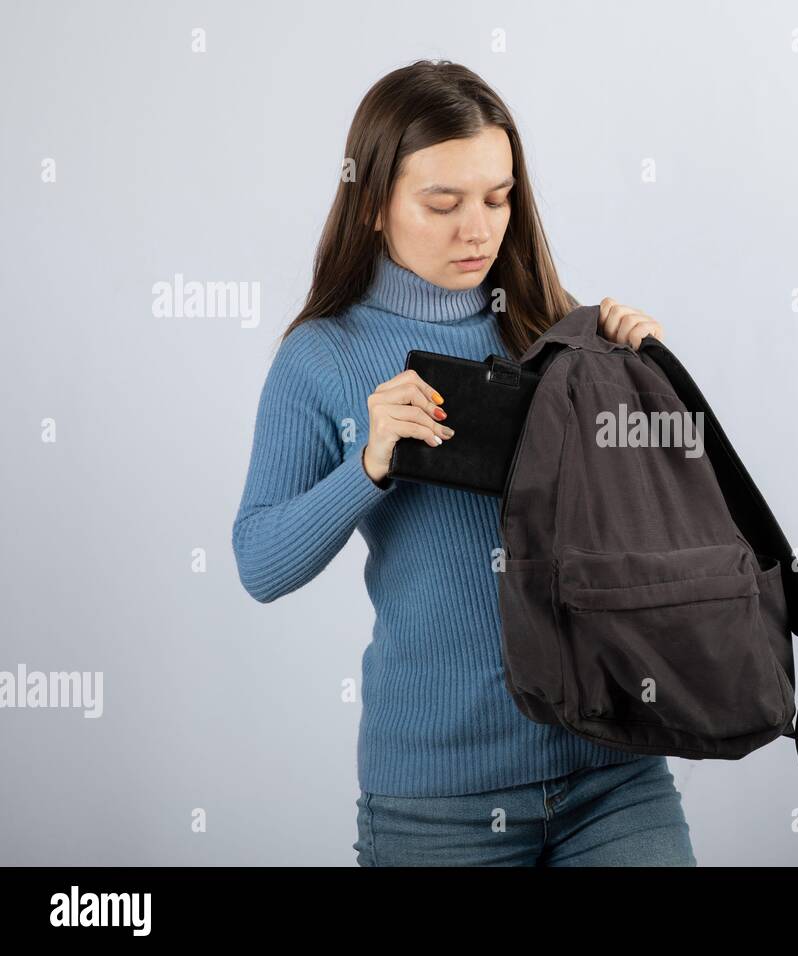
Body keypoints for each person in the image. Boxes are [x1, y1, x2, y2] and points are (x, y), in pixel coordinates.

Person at [231, 59, 696, 866]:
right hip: (437, 799)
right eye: (442, 203)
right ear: (374, 204)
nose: (477, 229)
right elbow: (259, 562)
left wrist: (645, 381)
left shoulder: (554, 332)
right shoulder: (323, 359)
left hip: (614, 770)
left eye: (498, 197)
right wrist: (369, 464)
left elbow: (653, 518)